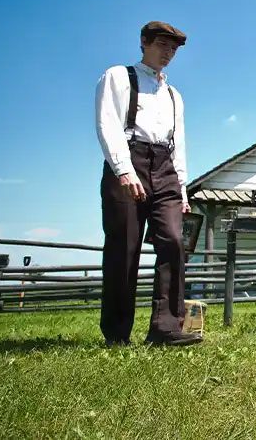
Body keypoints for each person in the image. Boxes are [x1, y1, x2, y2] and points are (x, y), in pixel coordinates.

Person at [95, 20, 201, 347]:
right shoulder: (117, 77)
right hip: (129, 159)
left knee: (173, 241)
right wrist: (123, 169)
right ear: (144, 41)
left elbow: (178, 142)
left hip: (165, 167)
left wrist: (181, 189)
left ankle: (166, 328)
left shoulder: (173, 95)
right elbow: (108, 124)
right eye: (162, 45)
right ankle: (117, 333)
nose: (168, 52)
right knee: (124, 247)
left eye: (173, 48)